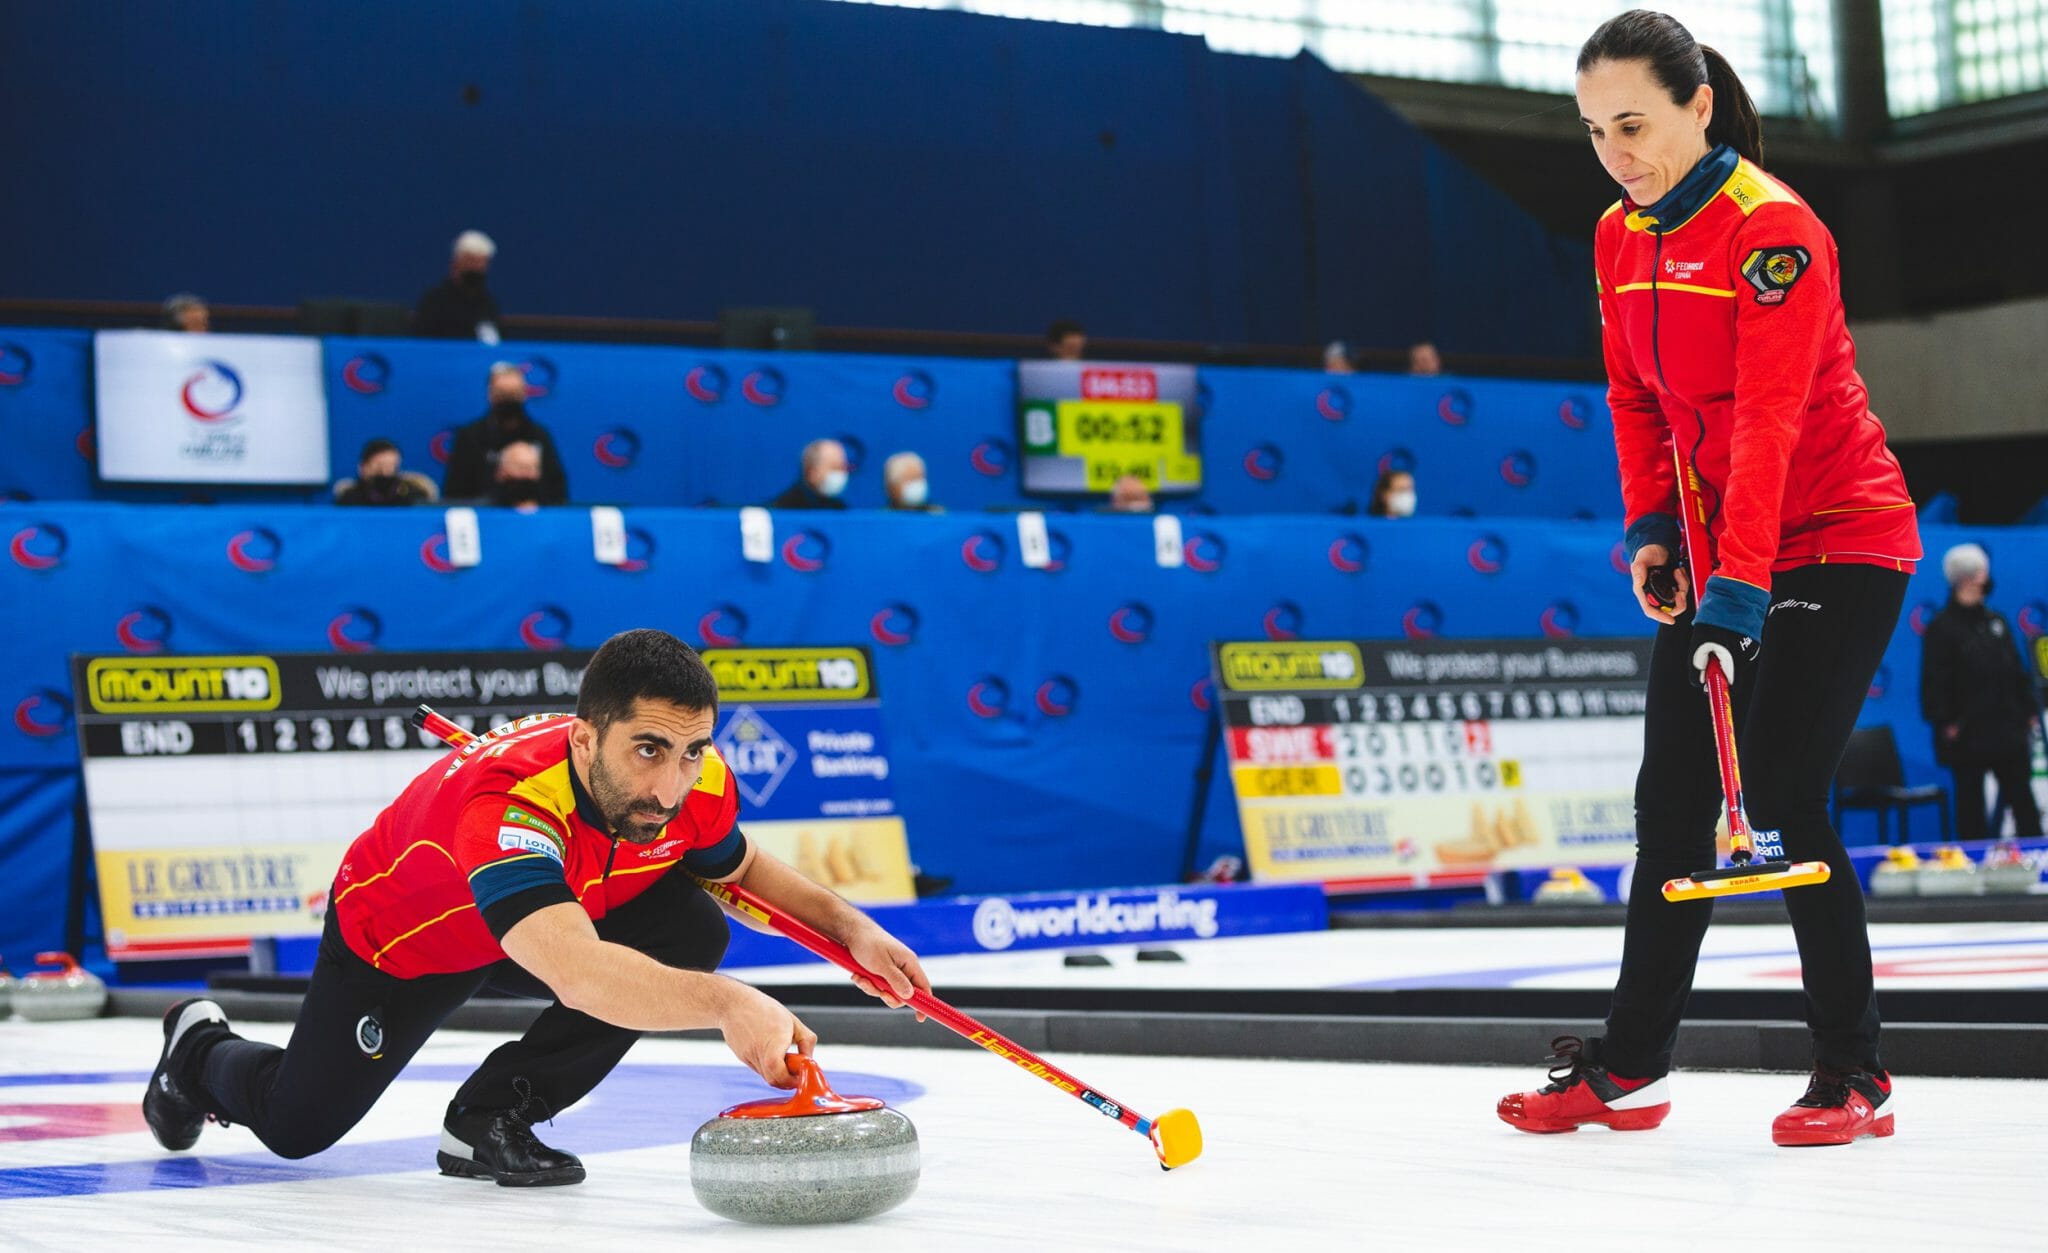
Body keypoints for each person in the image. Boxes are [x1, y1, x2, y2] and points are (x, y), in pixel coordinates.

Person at [1497, 10, 1920, 1148]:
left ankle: (1853, 1072)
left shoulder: (1771, 230)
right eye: (1592, 132)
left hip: (1836, 533)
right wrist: (1650, 529)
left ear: (1697, 106)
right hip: (1716, 536)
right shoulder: (1614, 236)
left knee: (1781, 800)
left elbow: (1771, 422)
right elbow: (1635, 400)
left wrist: (1734, 595)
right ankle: (1627, 1068)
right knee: (1666, 805)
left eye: (1631, 124)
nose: (1615, 153)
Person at [142, 630, 931, 1185]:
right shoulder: (510, 803)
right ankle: (198, 1048)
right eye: (648, 749)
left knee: (689, 924)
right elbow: (581, 971)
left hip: (545, 917)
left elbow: (743, 868)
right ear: (586, 738)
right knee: (297, 1126)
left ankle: (488, 1117)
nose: (671, 786)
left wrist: (854, 931)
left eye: (691, 750)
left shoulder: (694, 779)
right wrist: (727, 1003)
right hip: (405, 942)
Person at [1921, 543, 2044, 839]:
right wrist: (1946, 722)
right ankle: (1972, 872)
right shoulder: (1942, 627)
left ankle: (2038, 862)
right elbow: (1935, 680)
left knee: (2023, 800)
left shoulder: (1996, 621)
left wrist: (2028, 711)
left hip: (2007, 728)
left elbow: (2015, 672)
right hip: (1969, 732)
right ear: (1966, 578)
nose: (1986, 579)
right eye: (1981, 572)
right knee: (1970, 806)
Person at [443, 363, 569, 503]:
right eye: (503, 394)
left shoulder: (539, 436)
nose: (509, 400)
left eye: (514, 394)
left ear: (524, 394)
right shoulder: (470, 436)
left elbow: (557, 492)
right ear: (491, 395)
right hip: (485, 516)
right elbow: (455, 494)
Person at [416, 230, 504, 343]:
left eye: (482, 263)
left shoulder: (488, 305)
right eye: (471, 261)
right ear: (456, 263)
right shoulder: (434, 302)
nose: (477, 268)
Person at [335, 437, 438, 506]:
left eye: (391, 466)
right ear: (363, 468)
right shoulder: (350, 498)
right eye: (379, 467)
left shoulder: (412, 495)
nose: (385, 473)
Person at [767, 439, 850, 511]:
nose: (841, 474)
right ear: (812, 472)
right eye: (835, 468)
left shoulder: (840, 509)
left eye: (843, 468)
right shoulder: (783, 509)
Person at [490, 440, 557, 510]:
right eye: (521, 467)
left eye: (532, 468)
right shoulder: (483, 510)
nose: (526, 475)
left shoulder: (556, 512)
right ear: (501, 472)